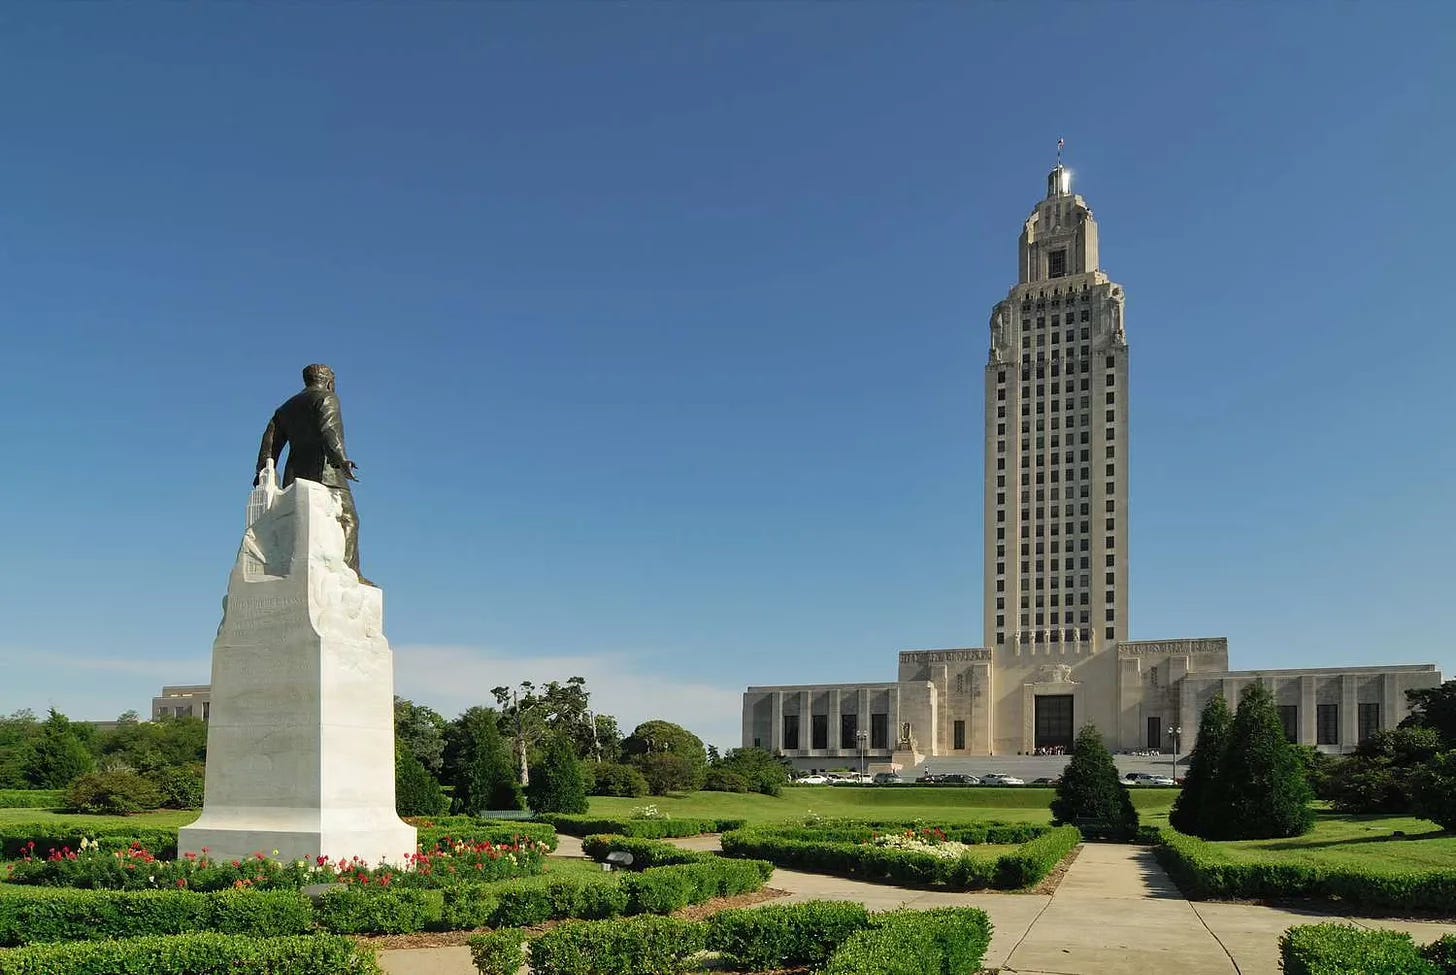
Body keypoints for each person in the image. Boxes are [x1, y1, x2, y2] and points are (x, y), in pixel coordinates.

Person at [255, 363, 371, 585]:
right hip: (325, 473)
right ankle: (350, 572)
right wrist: (341, 460)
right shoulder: (327, 398)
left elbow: (270, 443)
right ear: (329, 380)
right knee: (349, 519)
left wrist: (262, 471)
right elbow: (330, 430)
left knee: (299, 522)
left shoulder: (285, 408)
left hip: (295, 474)